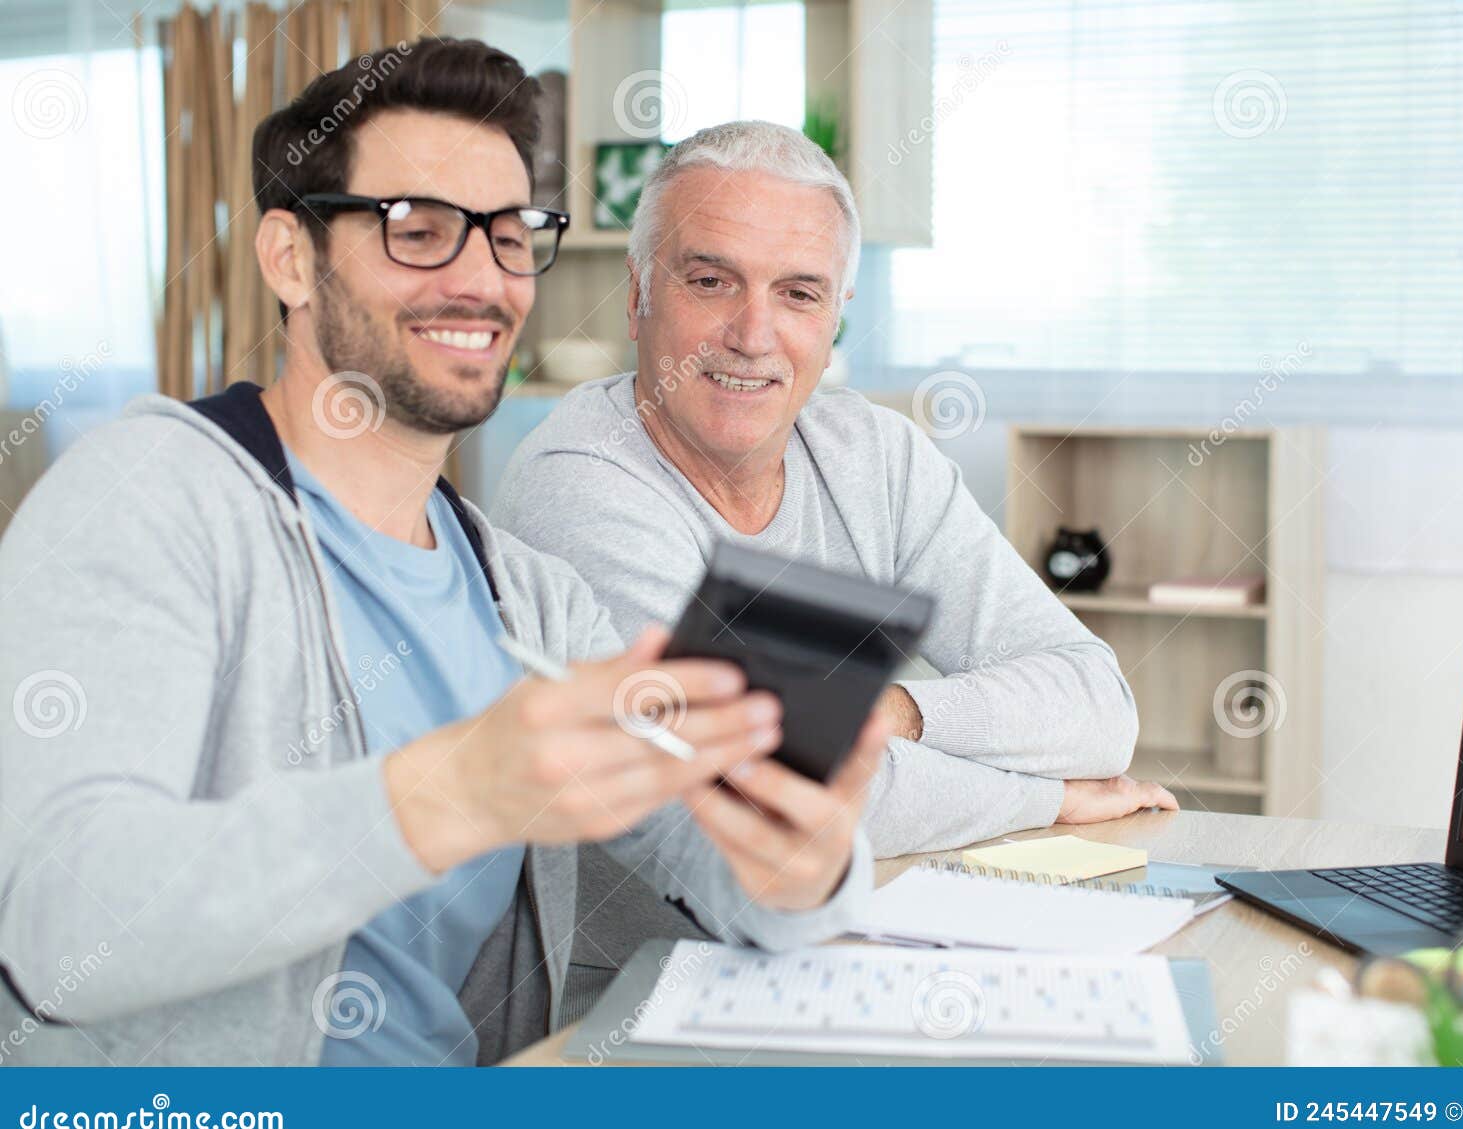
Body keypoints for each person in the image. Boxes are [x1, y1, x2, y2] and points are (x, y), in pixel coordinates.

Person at [0, 41, 882, 1067]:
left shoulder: (527, 596)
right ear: (290, 258)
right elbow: (58, 916)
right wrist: (450, 790)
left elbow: (698, 849)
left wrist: (802, 864)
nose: (482, 279)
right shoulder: (150, 494)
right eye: (418, 230)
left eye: (511, 238)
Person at [492, 121, 1172, 1010]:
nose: (753, 333)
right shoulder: (579, 486)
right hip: (639, 1010)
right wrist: (1042, 800)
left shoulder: (876, 456)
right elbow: (758, 791)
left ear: (836, 314)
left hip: (854, 946)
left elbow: (1098, 708)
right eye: (710, 281)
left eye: (799, 293)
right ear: (638, 296)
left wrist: (889, 712)